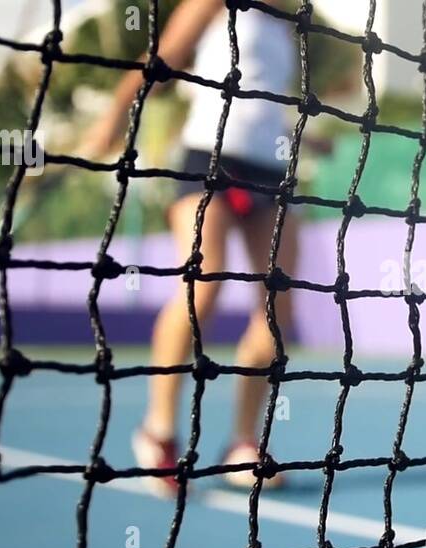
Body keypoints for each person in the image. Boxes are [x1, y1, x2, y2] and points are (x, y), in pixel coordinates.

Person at [84, 0, 298, 496]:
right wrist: (116, 118)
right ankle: (159, 431)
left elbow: (265, 101)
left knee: (276, 308)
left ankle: (243, 444)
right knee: (205, 283)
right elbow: (164, 56)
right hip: (208, 159)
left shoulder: (289, 23)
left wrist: (295, 138)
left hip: (270, 173)